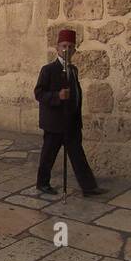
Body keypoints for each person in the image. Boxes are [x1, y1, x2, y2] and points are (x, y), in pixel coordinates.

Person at [35, 29, 107, 197]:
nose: (66, 49)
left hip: (71, 123)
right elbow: (39, 93)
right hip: (54, 123)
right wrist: (57, 96)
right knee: (48, 155)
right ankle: (42, 183)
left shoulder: (73, 69)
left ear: (74, 50)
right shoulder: (48, 70)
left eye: (70, 46)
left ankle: (89, 187)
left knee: (78, 156)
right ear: (57, 48)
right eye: (63, 46)